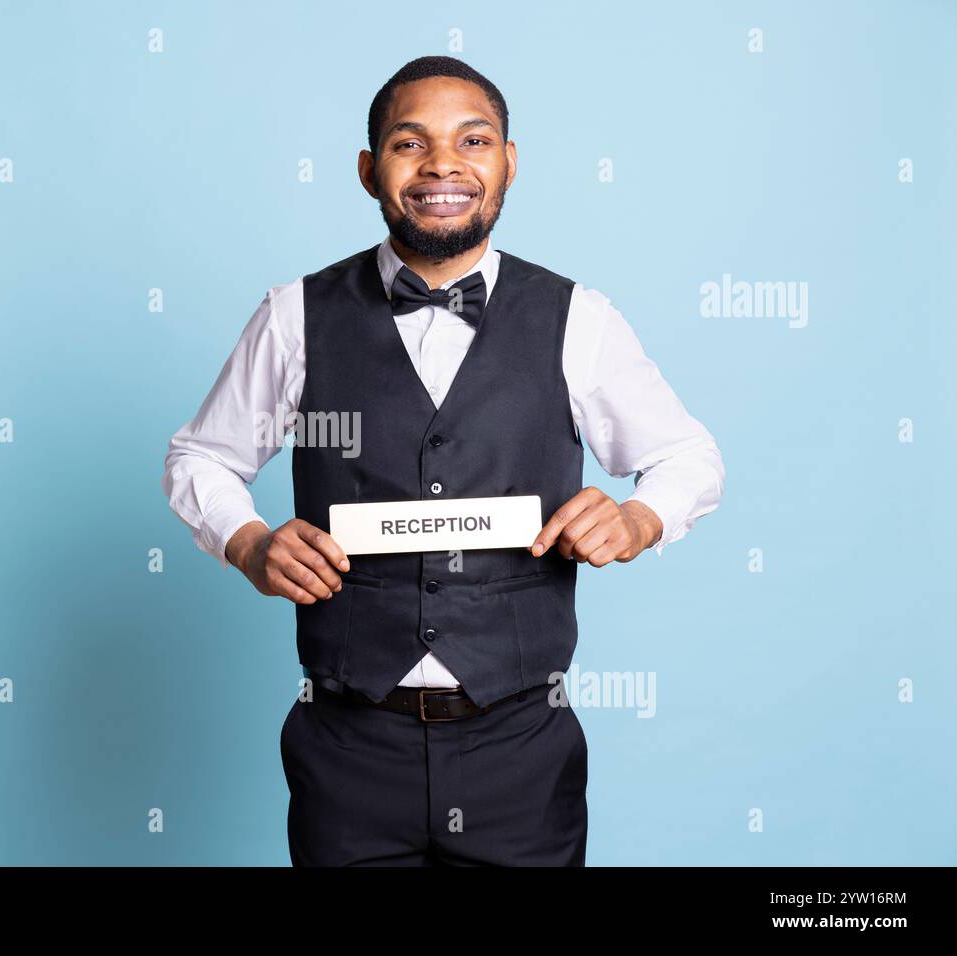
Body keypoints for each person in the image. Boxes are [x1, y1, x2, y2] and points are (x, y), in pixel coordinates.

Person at [162, 56, 725, 866]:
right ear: (368, 171)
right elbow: (201, 458)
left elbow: (688, 458)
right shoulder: (295, 316)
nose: (442, 166)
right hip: (347, 748)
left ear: (509, 163)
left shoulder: (578, 319)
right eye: (408, 144)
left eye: (473, 140)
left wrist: (639, 517)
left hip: (523, 750)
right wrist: (247, 543)